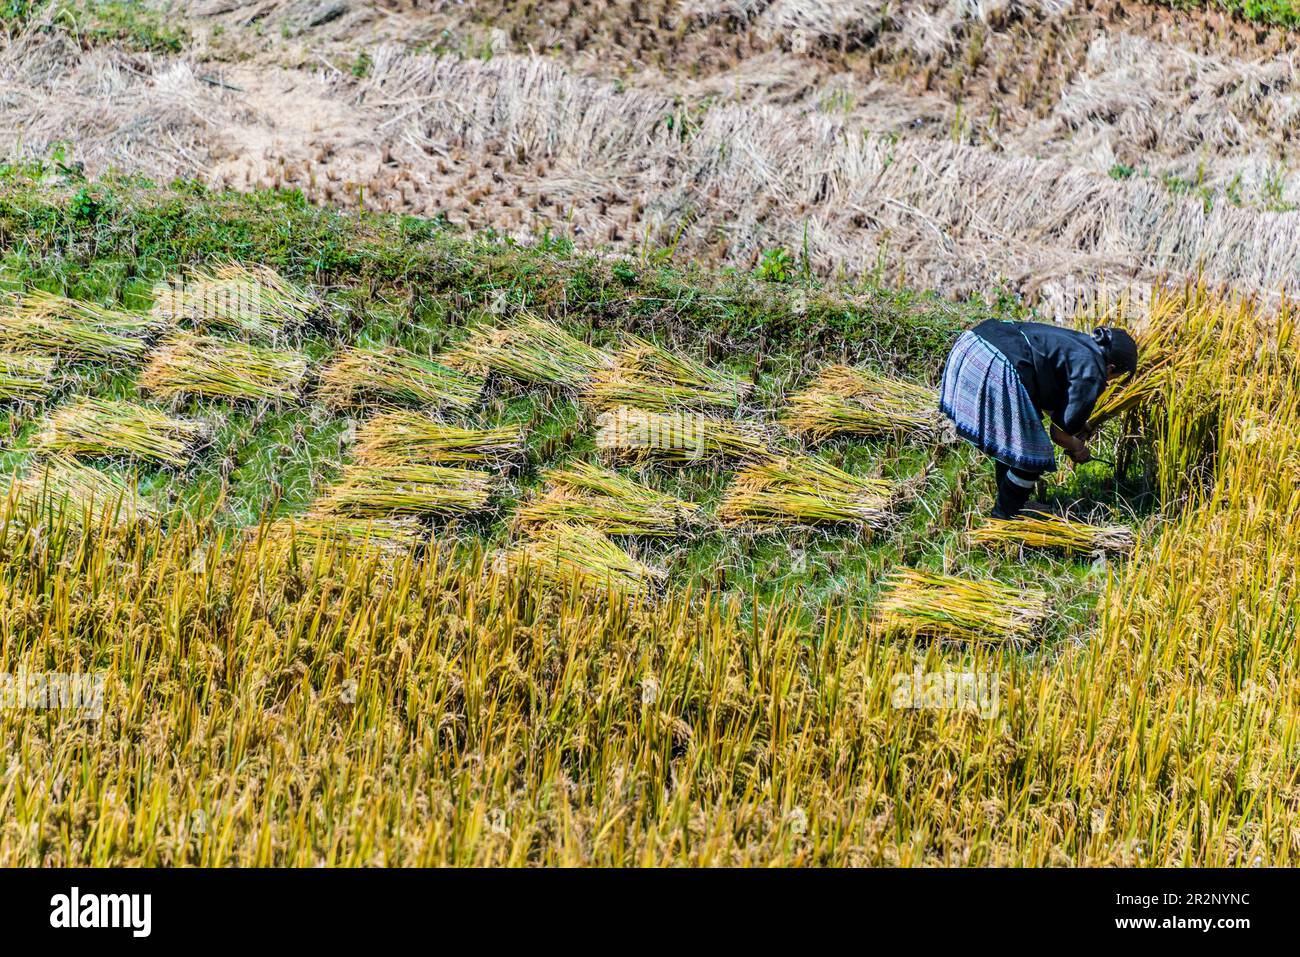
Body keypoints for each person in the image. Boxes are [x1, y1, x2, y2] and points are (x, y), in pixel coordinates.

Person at [939, 319, 1139, 519]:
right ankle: (1005, 516)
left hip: (973, 344)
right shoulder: (1094, 371)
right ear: (1111, 368)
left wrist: (1077, 424)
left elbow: (1050, 390)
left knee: (1012, 445)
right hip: (998, 364)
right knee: (1032, 456)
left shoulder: (1082, 344)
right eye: (1117, 376)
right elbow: (1059, 435)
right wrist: (1078, 448)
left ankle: (1016, 505)